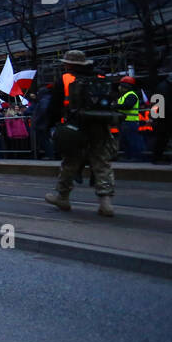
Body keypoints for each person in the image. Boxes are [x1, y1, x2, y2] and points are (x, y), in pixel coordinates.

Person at [44, 49, 119, 216]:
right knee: (101, 163)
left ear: (69, 64)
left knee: (70, 163)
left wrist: (50, 126)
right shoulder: (100, 77)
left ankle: (62, 197)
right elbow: (112, 99)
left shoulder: (64, 79)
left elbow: (54, 107)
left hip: (75, 128)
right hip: (100, 126)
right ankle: (105, 202)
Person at [148, 69, 172, 164]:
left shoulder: (165, 86)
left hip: (164, 116)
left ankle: (158, 158)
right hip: (164, 118)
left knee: (163, 138)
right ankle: (157, 158)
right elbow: (166, 103)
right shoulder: (166, 88)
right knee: (163, 138)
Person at [115, 76, 143, 162]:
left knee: (132, 140)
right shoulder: (125, 96)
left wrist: (114, 106)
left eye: (121, 86)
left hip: (130, 122)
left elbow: (127, 106)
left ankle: (135, 157)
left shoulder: (131, 95)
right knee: (126, 141)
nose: (119, 87)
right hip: (125, 121)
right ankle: (128, 156)